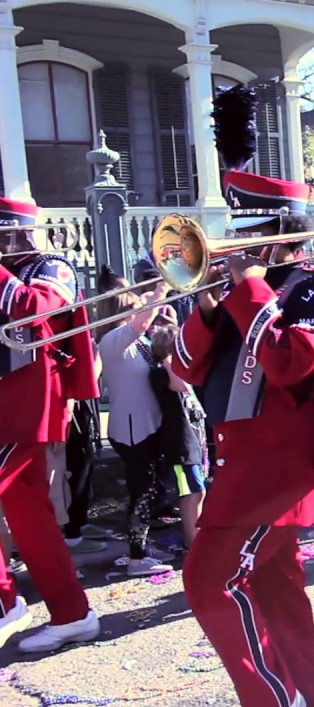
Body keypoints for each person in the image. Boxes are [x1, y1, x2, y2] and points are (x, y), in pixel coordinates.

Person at [173, 84, 314, 707]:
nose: (232, 248)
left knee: (207, 580)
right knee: (276, 592)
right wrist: (204, 305)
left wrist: (250, 290)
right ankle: (313, 704)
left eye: (245, 237)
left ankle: (269, 701)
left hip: (281, 474)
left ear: (277, 237)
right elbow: (182, 370)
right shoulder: (235, 296)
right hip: (243, 467)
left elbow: (290, 365)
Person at [0, 197, 101, 653]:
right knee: (30, 517)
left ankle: (7, 604)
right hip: (8, 405)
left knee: (31, 514)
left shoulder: (51, 266)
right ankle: (70, 613)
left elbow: (34, 309)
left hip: (22, 408)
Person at [97, 289, 177, 576]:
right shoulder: (113, 340)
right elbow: (142, 322)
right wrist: (160, 290)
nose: (142, 310)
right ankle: (136, 557)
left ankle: (140, 549)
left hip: (146, 425)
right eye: (136, 306)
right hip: (133, 429)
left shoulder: (133, 340)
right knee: (141, 493)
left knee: (148, 490)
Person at [148, 322, 208, 550]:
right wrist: (171, 356)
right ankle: (194, 541)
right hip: (180, 445)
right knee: (194, 491)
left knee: (195, 491)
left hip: (194, 442)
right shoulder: (162, 373)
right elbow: (182, 385)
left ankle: (195, 537)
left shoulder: (176, 370)